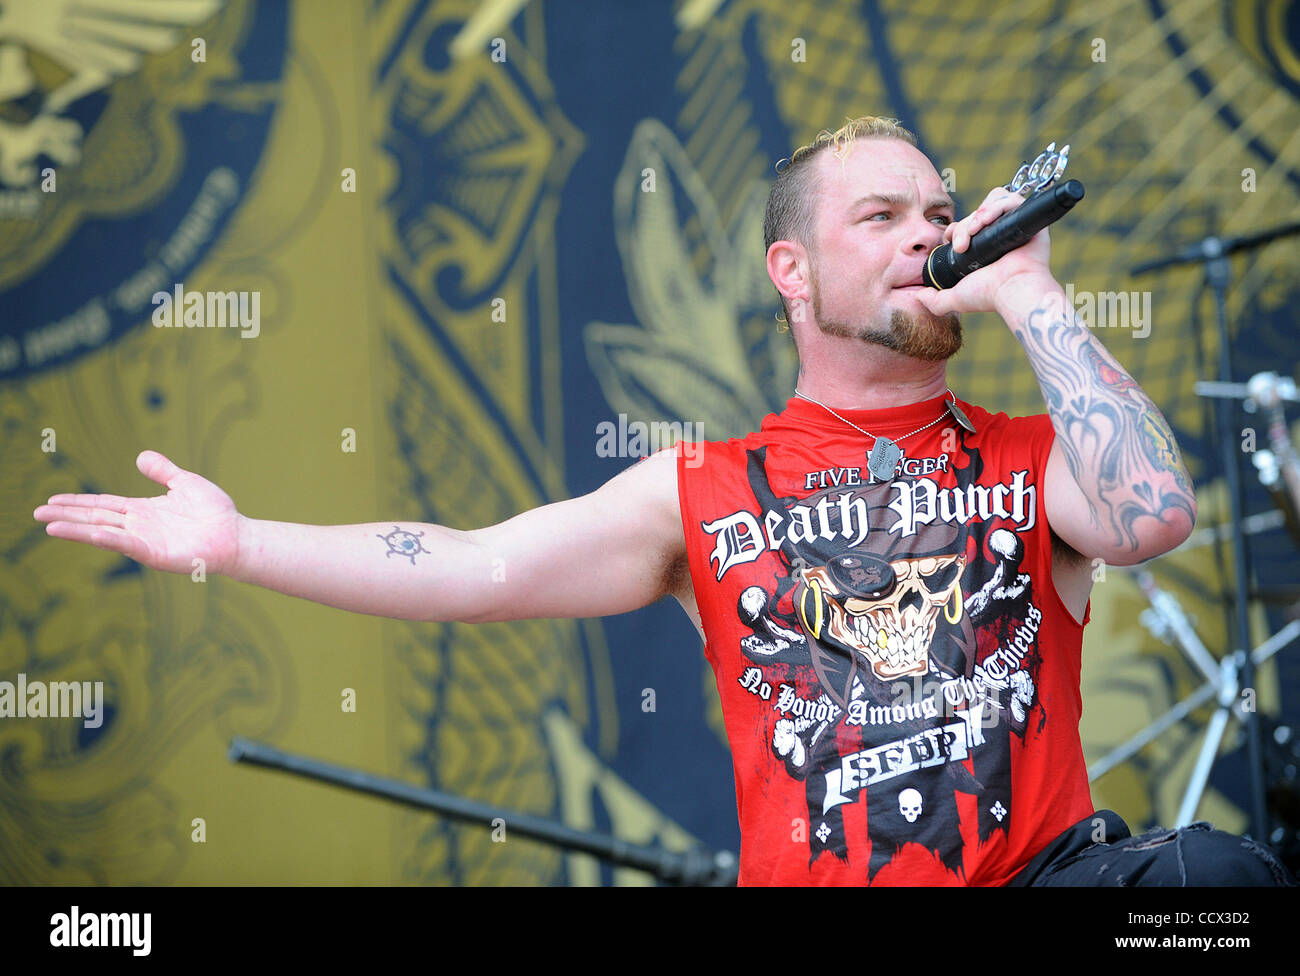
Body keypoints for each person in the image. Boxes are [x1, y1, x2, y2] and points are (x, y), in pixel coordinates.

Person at [34, 116, 1295, 887]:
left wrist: (1029, 290)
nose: (929, 233)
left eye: (941, 212)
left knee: (1214, 887)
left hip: (1038, 880)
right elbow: (471, 565)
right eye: (884, 214)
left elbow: (1150, 520)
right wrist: (244, 540)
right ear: (789, 271)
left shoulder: (1027, 454)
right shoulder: (701, 488)